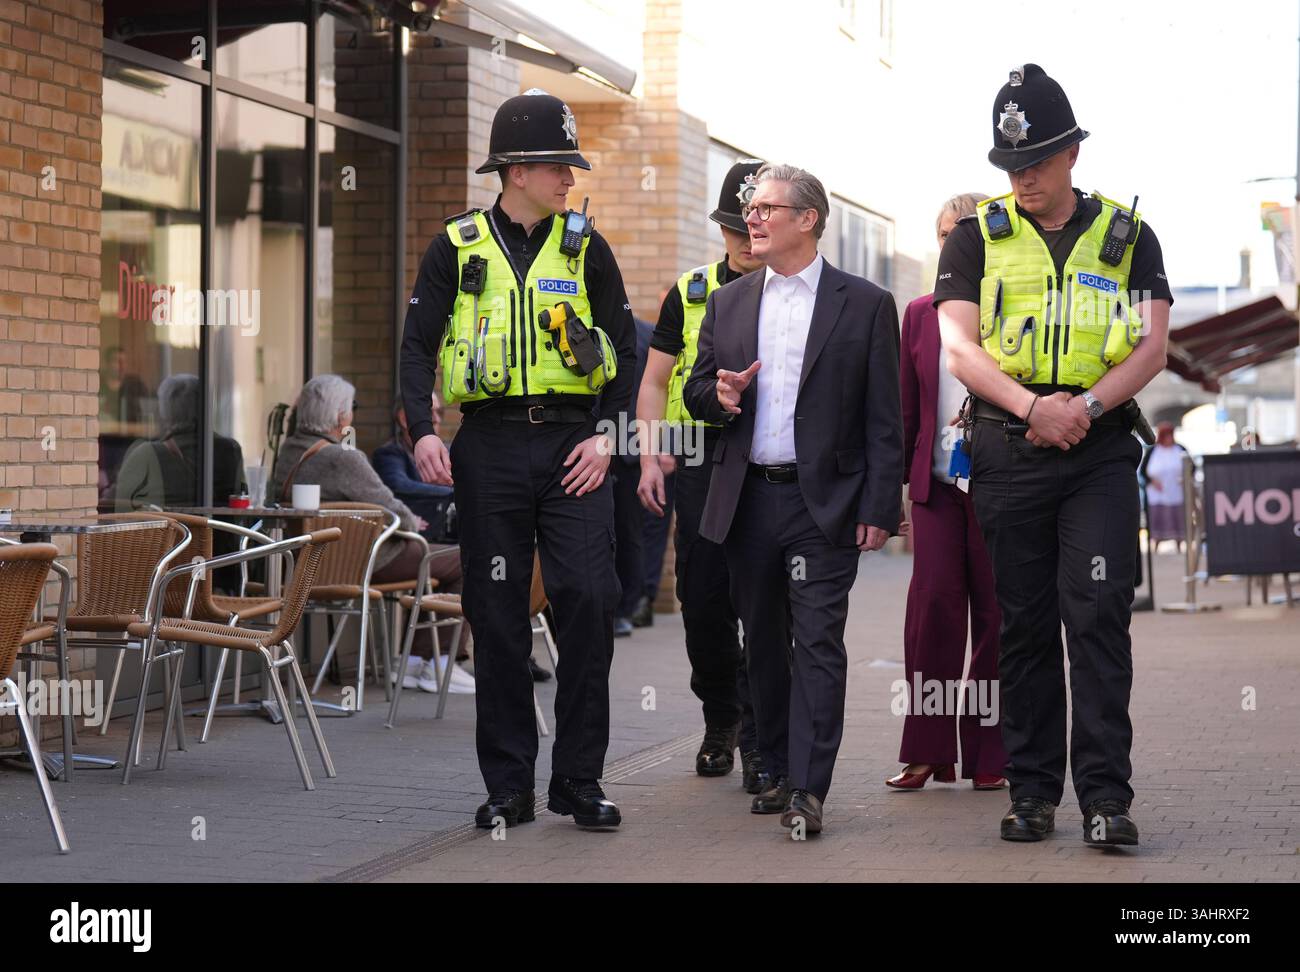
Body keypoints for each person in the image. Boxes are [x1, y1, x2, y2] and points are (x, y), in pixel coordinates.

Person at [936, 64, 1172, 845]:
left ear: (1074, 152)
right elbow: (959, 348)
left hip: (1098, 455)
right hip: (1008, 448)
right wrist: (1034, 407)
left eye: (1036, 159)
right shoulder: (974, 238)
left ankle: (1107, 800)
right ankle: (1033, 795)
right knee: (1026, 626)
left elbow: (1153, 348)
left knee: (1098, 617)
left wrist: (1086, 407)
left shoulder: (1129, 238)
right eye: (1009, 164)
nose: (1022, 176)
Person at [399, 90, 636, 830]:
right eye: (558, 164)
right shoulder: (457, 246)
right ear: (516, 170)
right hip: (491, 446)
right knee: (496, 615)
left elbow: (625, 352)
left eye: (570, 166)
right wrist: (424, 432)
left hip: (574, 445)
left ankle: (578, 779)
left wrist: (609, 436)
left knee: (590, 603)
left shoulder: (586, 247)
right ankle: (509, 786)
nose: (569, 177)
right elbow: (416, 346)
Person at [683, 163, 903, 834]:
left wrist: (878, 508)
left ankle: (810, 786)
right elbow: (696, 393)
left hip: (823, 504)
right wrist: (717, 397)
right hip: (748, 501)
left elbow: (884, 419)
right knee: (764, 642)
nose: (752, 218)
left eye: (767, 209)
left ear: (807, 220)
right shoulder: (727, 302)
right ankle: (773, 768)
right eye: (751, 209)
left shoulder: (864, 303)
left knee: (818, 642)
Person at [637, 158, 770, 792]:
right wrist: (649, 451)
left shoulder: (794, 290)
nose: (746, 240)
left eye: (755, 224)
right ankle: (722, 717)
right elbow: (655, 381)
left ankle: (758, 733)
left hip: (769, 467)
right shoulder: (689, 292)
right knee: (703, 604)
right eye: (733, 227)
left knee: (766, 604)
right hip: (698, 462)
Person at [892, 194, 1007, 792]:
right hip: (936, 489)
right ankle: (927, 750)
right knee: (932, 615)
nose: (953, 244)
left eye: (965, 233)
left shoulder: (1012, 307)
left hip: (1001, 487)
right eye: (944, 234)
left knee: (996, 619)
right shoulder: (917, 313)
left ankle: (991, 754)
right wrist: (898, 494)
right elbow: (905, 409)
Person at [272, 374, 474, 695]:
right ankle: (435, 662)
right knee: (465, 560)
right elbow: (389, 503)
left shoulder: (288, 453)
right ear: (341, 417)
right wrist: (411, 524)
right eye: (351, 408)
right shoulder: (343, 457)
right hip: (360, 563)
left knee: (432, 562)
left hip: (303, 564)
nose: (352, 414)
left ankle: (412, 663)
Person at [114, 373, 243, 511]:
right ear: (206, 408)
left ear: (165, 412)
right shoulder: (231, 450)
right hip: (221, 532)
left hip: (172, 532)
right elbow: (242, 500)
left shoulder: (146, 454)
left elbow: (119, 510)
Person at [612, 317, 655, 637]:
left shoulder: (647, 334)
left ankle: (625, 608)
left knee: (629, 532)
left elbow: (659, 388)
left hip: (629, 447)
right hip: (588, 443)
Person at [1140, 422, 1188, 551]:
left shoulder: (1180, 449)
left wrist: (1185, 479)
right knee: (1158, 521)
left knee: (1177, 520)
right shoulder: (1153, 451)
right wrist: (1153, 481)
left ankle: (1179, 545)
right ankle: (1155, 545)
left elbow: (1191, 467)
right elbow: (1143, 471)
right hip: (1157, 495)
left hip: (1176, 493)